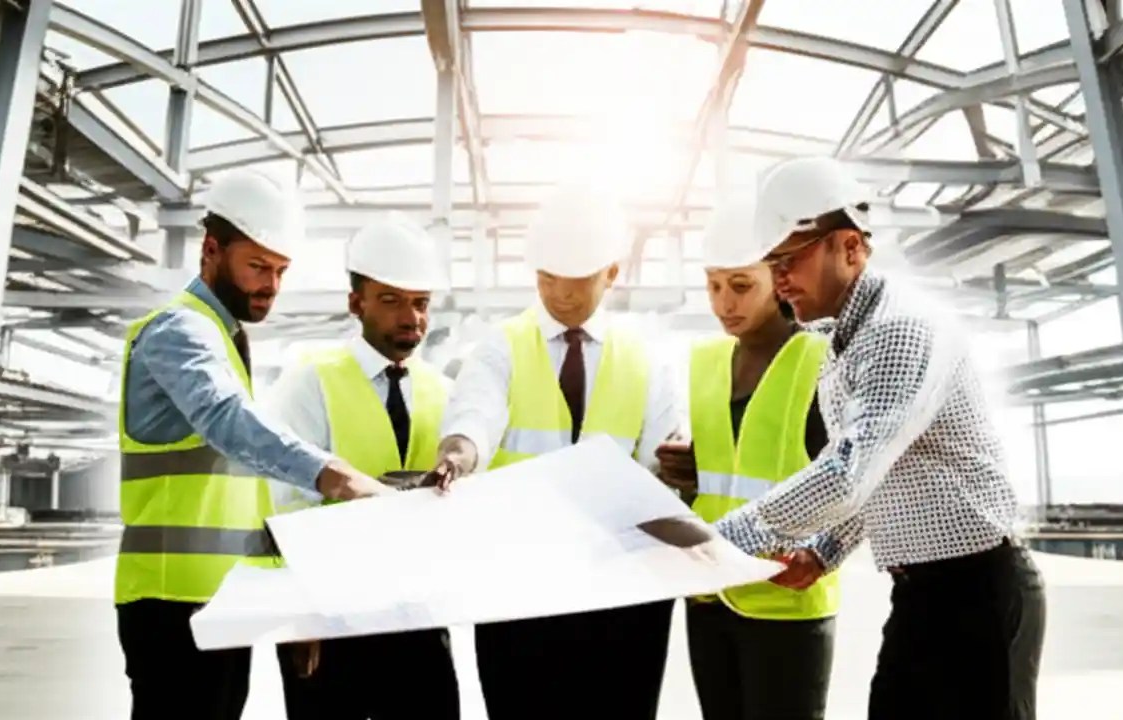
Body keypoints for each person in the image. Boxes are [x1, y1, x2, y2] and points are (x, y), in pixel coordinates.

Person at [711, 156, 1046, 720]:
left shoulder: (900, 329)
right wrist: (823, 552)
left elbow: (849, 471)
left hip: (979, 591)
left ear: (850, 247)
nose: (779, 277)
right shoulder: (840, 340)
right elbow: (882, 472)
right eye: (772, 262)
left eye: (789, 258)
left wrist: (723, 539)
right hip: (922, 594)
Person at [114, 170, 394, 720]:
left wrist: (292, 602)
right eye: (258, 267)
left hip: (216, 602)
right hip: (173, 605)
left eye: (281, 271)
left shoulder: (222, 338)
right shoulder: (179, 330)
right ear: (211, 250)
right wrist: (335, 474)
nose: (271, 285)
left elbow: (244, 491)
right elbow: (226, 420)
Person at [423, 184, 681, 720]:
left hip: (621, 598)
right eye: (546, 278)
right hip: (521, 589)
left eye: (577, 281)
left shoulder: (646, 360)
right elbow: (476, 413)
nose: (560, 295)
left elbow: (662, 464)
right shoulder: (501, 346)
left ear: (612, 272)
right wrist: (458, 454)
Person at [259, 215, 461, 720]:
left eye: (420, 303)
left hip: (419, 619)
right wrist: (300, 617)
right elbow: (286, 507)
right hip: (331, 625)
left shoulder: (444, 392)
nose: (409, 318)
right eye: (391, 300)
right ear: (357, 303)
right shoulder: (311, 381)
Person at [656, 194, 838, 720]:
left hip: (786, 593)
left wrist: (823, 553)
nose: (723, 303)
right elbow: (726, 467)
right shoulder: (705, 362)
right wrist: (684, 472)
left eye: (740, 286)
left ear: (779, 279)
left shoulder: (820, 359)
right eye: (713, 285)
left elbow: (850, 476)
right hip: (710, 593)